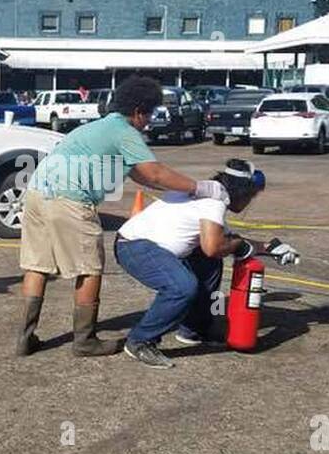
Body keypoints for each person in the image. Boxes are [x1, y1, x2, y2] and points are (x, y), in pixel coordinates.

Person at [16, 74, 230, 357]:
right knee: (89, 268)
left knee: (37, 265)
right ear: (139, 110)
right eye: (149, 114)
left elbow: (143, 177)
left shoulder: (98, 128)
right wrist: (199, 187)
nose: (150, 121)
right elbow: (154, 171)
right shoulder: (125, 132)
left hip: (36, 193)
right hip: (69, 200)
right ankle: (84, 340)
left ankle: (24, 338)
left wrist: (179, 189)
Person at [113, 160, 298, 368]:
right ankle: (140, 341)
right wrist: (239, 244)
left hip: (150, 245)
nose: (249, 203)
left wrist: (270, 247)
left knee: (210, 264)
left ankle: (195, 330)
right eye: (251, 196)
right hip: (134, 246)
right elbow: (213, 246)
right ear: (242, 192)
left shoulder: (211, 192)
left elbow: (225, 239)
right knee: (182, 287)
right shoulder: (214, 202)